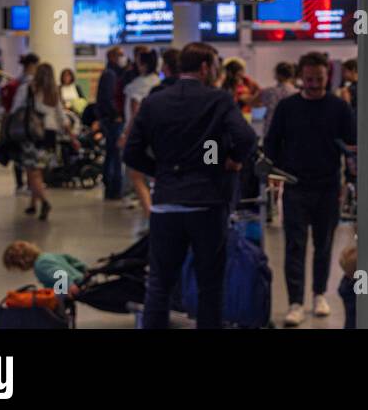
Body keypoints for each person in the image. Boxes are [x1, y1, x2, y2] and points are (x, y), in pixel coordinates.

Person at [122, 42, 256, 329]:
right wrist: (230, 161)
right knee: (210, 283)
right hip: (207, 203)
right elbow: (246, 138)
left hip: (166, 202)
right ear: (206, 67)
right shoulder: (218, 100)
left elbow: (130, 152)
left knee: (159, 285)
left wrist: (161, 172)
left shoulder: (154, 101)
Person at [264, 52, 355, 326]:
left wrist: (352, 172)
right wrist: (275, 174)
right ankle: (295, 302)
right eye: (309, 79)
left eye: (319, 79)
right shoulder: (287, 107)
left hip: (328, 186)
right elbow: (272, 143)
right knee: (295, 245)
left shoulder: (339, 108)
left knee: (323, 245)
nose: (314, 84)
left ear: (327, 76)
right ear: (300, 78)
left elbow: (352, 144)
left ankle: (318, 294)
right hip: (295, 186)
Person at [15, 64, 73, 222]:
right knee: (37, 172)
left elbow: (16, 109)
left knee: (32, 172)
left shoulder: (30, 90)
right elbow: (62, 117)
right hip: (50, 136)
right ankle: (33, 204)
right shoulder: (54, 93)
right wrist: (72, 137)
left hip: (33, 134)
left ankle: (44, 202)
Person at [121, 50, 160, 216]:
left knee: (135, 174)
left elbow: (135, 112)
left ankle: (150, 214)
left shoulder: (138, 84)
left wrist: (126, 134)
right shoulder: (157, 82)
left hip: (140, 134)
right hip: (156, 133)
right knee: (153, 176)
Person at [1, 54, 38, 195]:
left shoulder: (17, 80)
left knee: (19, 153)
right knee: (28, 155)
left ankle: (21, 184)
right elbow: (17, 105)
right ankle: (27, 185)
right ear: (31, 65)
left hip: (17, 124)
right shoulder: (27, 83)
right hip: (26, 124)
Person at [95, 46, 126, 201]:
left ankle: (112, 187)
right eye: (121, 55)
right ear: (113, 57)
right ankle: (114, 188)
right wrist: (117, 115)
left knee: (112, 153)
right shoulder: (111, 75)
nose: (123, 58)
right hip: (112, 120)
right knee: (115, 154)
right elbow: (109, 98)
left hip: (109, 119)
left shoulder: (111, 73)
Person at [2, 241, 87, 297]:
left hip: (74, 285)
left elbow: (60, 274)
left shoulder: (40, 265)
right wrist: (85, 269)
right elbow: (70, 259)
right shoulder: (47, 255)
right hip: (81, 279)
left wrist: (69, 285)